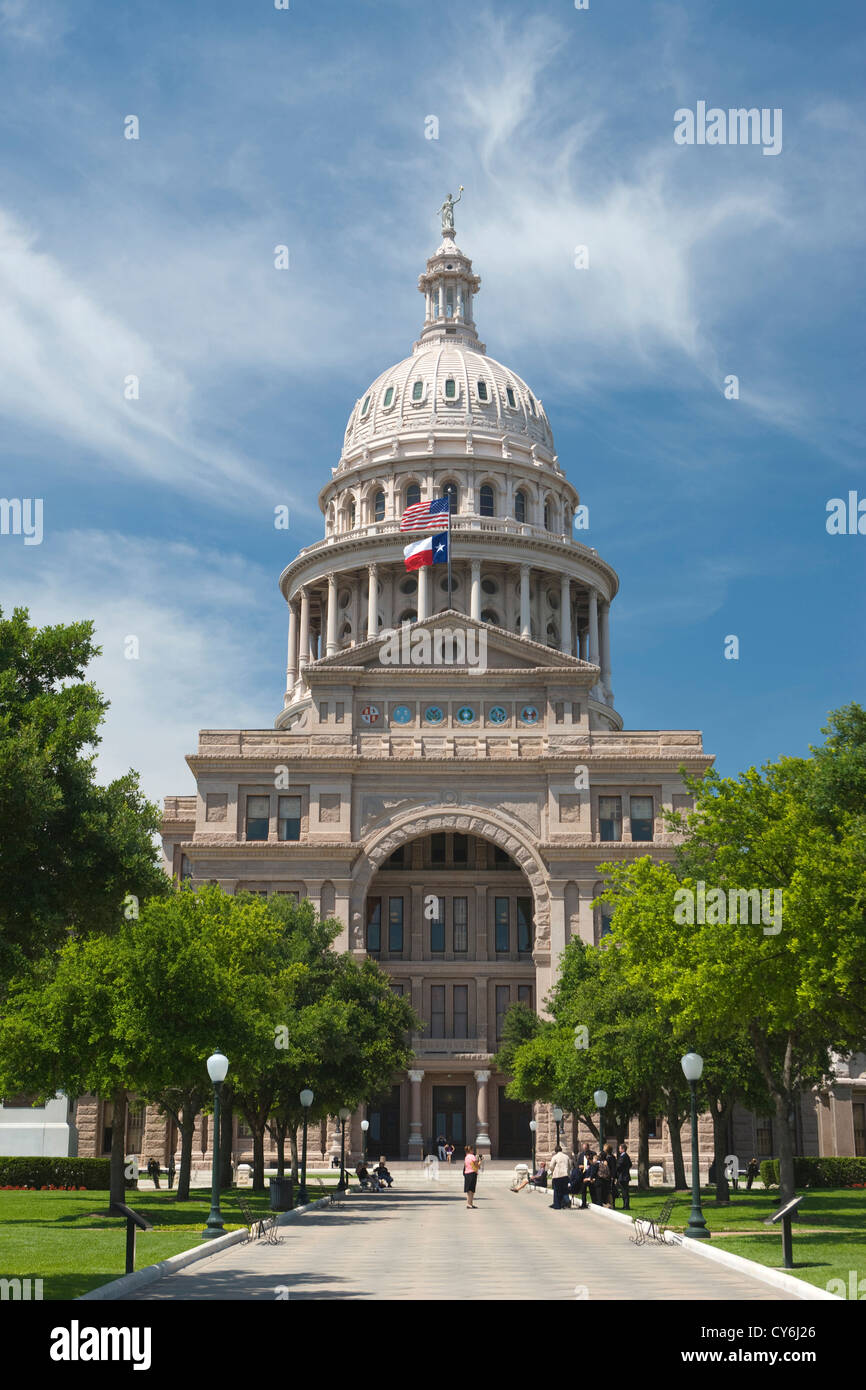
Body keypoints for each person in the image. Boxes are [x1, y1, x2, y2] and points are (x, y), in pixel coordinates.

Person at [463, 1144, 481, 1208]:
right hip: (472, 1173)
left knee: (469, 1190)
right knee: (471, 1190)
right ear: (470, 1150)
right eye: (473, 1150)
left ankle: (470, 1203)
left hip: (467, 1173)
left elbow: (466, 1165)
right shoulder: (472, 1156)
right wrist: (480, 1161)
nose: (473, 1151)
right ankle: (469, 1204)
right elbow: (477, 1165)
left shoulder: (466, 1157)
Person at [615, 1142, 632, 1210]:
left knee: (624, 1192)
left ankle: (626, 1206)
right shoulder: (626, 1156)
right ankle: (625, 1205)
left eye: (620, 1148)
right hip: (625, 1176)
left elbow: (619, 1165)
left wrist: (618, 1170)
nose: (619, 1150)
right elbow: (630, 1164)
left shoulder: (623, 1156)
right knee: (624, 1191)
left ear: (623, 1149)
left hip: (623, 1177)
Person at [576, 1143, 593, 1208]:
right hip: (583, 1174)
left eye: (586, 1148)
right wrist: (580, 1166)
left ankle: (595, 1202)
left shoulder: (592, 1154)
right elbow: (578, 1164)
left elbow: (594, 1163)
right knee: (583, 1190)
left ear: (588, 1148)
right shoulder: (581, 1155)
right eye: (584, 1148)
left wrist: (588, 1164)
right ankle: (583, 1203)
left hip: (590, 1174)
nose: (585, 1150)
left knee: (592, 1189)